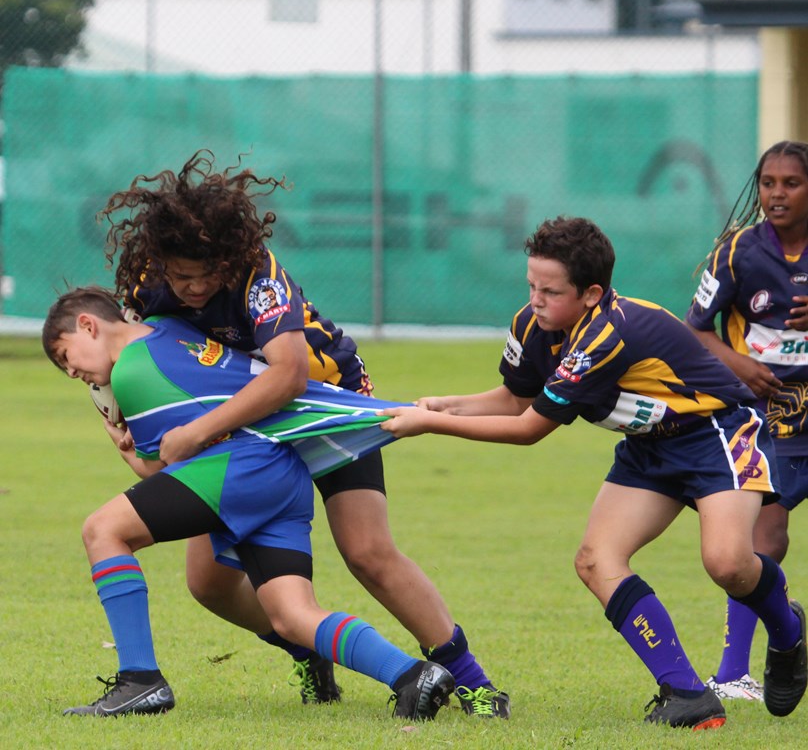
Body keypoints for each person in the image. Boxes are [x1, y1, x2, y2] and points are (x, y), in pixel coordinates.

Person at [97, 151, 508, 718]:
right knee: (209, 584)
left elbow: (289, 375)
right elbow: (133, 354)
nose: (189, 288)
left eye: (202, 276)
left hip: (323, 403)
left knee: (367, 551)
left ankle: (473, 683)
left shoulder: (257, 273)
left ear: (228, 257)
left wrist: (196, 434)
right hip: (242, 422)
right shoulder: (149, 280)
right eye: (178, 276)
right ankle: (306, 643)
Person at [379, 215, 808, 729]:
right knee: (596, 560)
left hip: (716, 435)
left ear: (591, 293)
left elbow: (530, 428)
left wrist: (430, 425)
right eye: (531, 285)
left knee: (727, 564)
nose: (535, 299)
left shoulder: (606, 334)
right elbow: (515, 399)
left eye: (550, 291)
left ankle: (788, 633)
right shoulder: (532, 325)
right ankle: (686, 694)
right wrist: (445, 405)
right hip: (650, 449)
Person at [43, 286, 455, 719]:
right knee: (294, 616)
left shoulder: (129, 372)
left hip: (241, 469)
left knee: (103, 530)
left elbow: (159, 468)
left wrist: (121, 444)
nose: (72, 373)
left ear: (88, 325)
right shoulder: (169, 328)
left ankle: (140, 680)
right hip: (282, 469)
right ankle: (411, 675)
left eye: (65, 357)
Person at [685, 140, 808, 701]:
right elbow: (696, 328)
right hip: (770, 418)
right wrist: (742, 368)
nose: (776, 194)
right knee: (764, 537)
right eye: (768, 183)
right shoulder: (736, 252)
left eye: (791, 183)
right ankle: (735, 671)